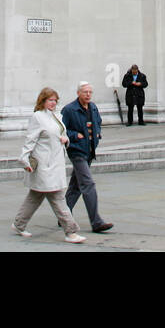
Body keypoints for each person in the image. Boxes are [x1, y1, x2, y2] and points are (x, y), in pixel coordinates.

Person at [13, 87, 86, 243]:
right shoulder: (37, 117)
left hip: (55, 163)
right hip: (44, 166)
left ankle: (19, 224)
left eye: (55, 100)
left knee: (35, 197)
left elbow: (62, 134)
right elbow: (30, 140)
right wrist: (24, 159)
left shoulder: (55, 116)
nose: (53, 103)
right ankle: (71, 231)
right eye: (50, 100)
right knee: (58, 198)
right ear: (43, 100)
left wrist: (66, 139)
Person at [61, 82, 113, 233]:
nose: (88, 94)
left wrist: (98, 134)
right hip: (77, 151)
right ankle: (96, 221)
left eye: (90, 92)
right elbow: (61, 130)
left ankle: (63, 215)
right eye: (85, 92)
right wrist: (74, 135)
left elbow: (98, 121)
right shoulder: (69, 109)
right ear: (78, 93)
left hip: (89, 151)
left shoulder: (93, 107)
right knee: (88, 184)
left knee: (76, 186)